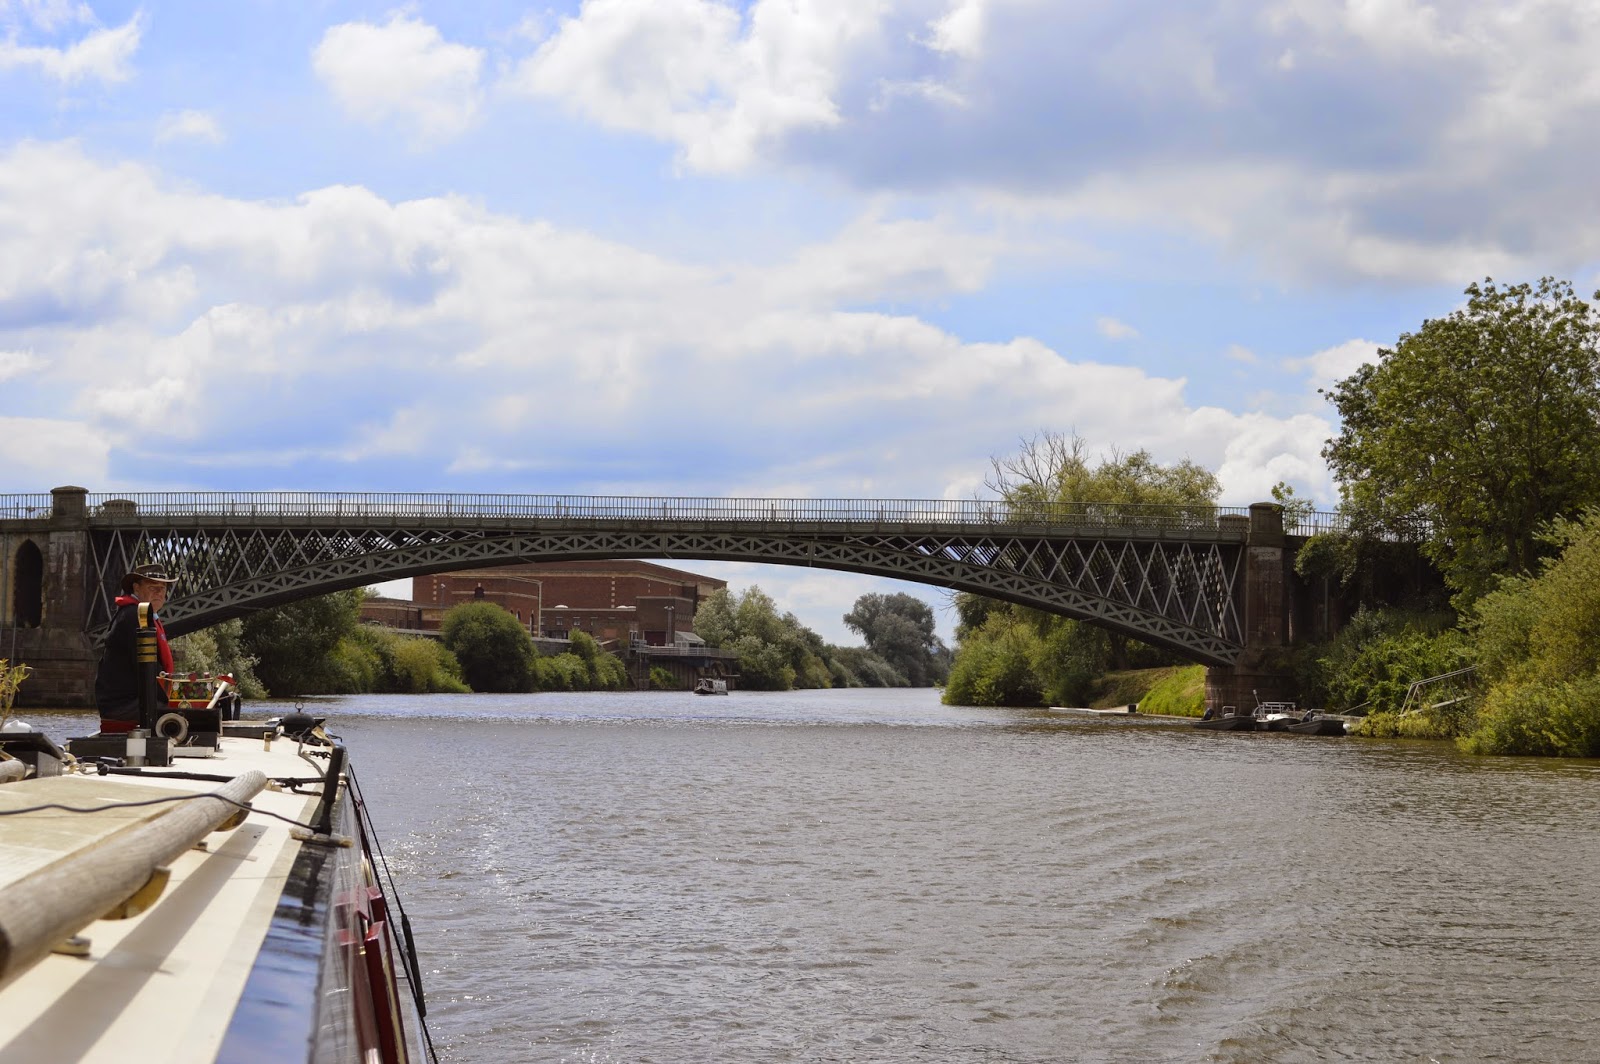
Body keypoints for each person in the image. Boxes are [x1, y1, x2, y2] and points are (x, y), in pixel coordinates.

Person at [94, 564, 177, 735]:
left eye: (162, 588)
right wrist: (173, 700)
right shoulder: (134, 616)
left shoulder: (139, 614)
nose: (159, 592)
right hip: (125, 705)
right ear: (136, 587)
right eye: (152, 587)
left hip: (129, 702)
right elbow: (146, 670)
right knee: (192, 717)